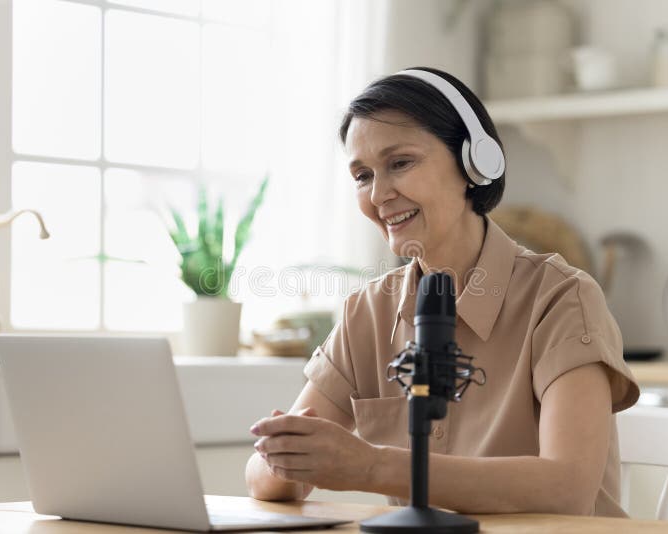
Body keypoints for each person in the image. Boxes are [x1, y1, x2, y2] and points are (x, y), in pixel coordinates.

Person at [244, 66, 640, 517]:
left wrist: (370, 467)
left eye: (400, 163)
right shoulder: (368, 312)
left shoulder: (562, 299)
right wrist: (287, 453)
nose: (378, 195)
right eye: (362, 176)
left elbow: (566, 488)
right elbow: (265, 478)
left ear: (475, 163)